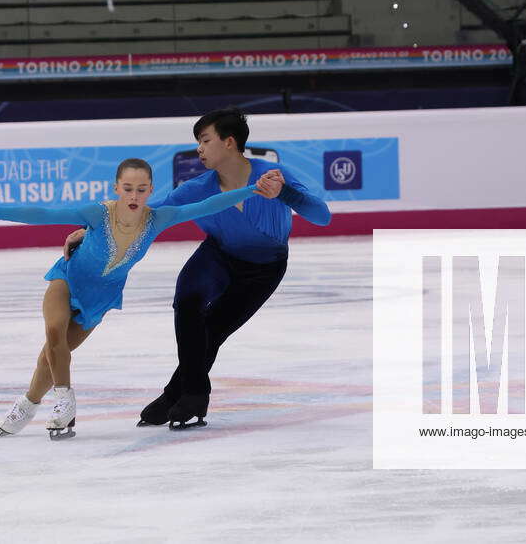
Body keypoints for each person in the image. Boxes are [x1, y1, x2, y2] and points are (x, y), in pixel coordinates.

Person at [0, 157, 281, 440]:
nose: (134, 196)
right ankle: (65, 400)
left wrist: (251, 190)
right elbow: (45, 213)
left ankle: (28, 404)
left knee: (53, 355)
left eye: (141, 189)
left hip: (100, 297)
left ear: (150, 190)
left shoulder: (157, 219)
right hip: (68, 278)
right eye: (128, 188)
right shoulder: (97, 214)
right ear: (117, 188)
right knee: (54, 333)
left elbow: (205, 205)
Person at [64, 108, 331, 429]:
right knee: (187, 301)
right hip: (216, 257)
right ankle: (193, 393)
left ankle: (174, 394)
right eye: (198, 143)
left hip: (265, 268)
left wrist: (285, 193)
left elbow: (322, 216)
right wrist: (91, 230)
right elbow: (148, 215)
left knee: (214, 329)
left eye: (205, 141)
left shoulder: (273, 175)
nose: (199, 149)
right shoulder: (197, 188)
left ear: (229, 142)